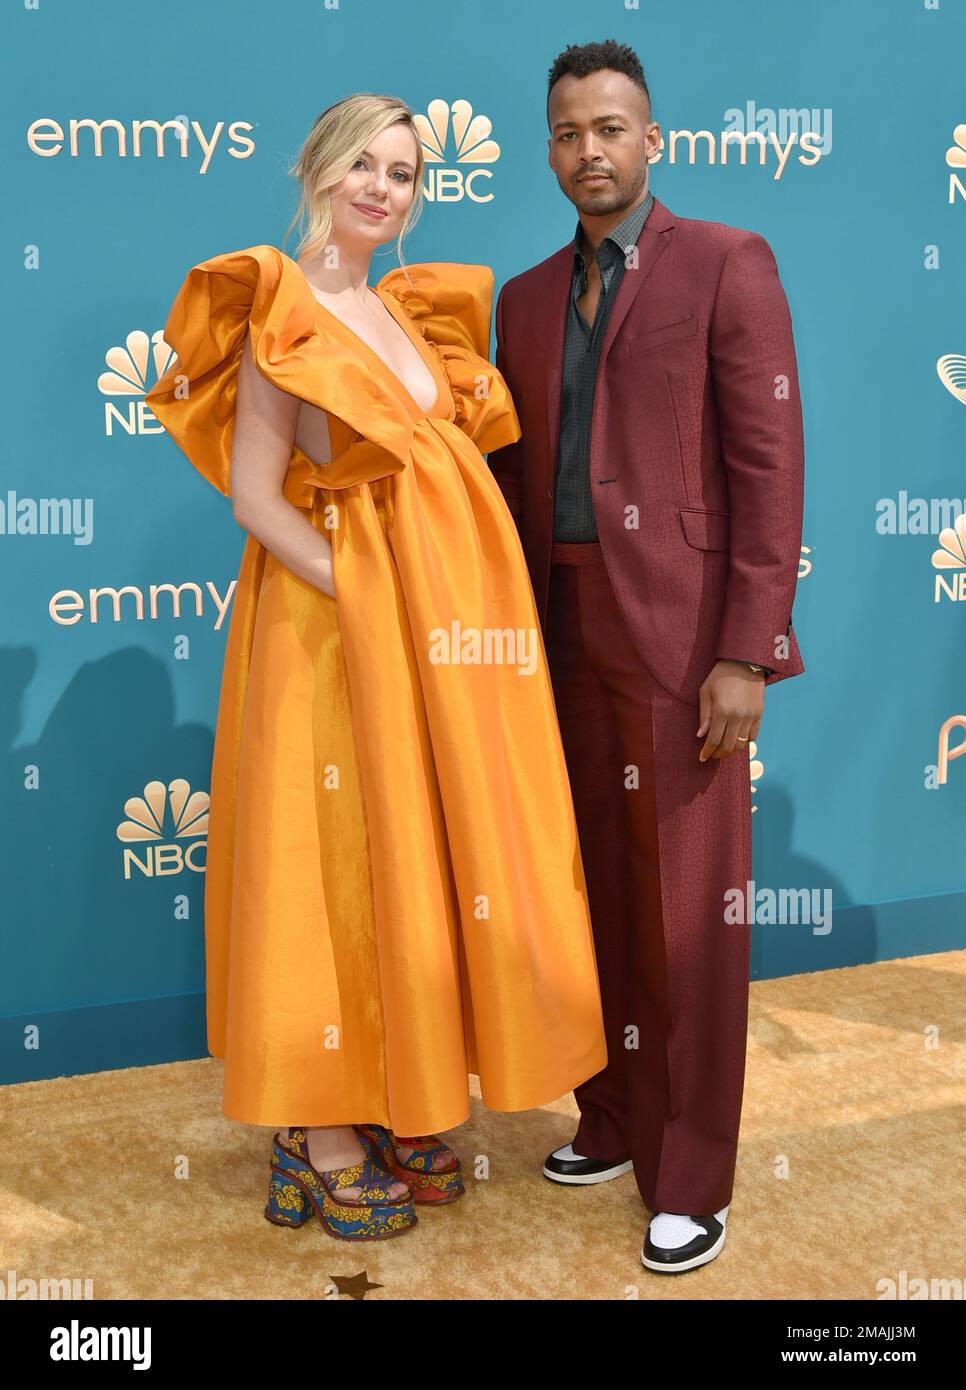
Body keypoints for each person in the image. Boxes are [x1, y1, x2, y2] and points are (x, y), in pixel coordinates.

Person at [145, 92, 607, 1244]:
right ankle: (319, 1129)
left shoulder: (404, 308)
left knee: (410, 854)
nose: (382, 189)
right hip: (331, 630)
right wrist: (367, 595)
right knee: (332, 862)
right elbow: (257, 498)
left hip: (433, 637)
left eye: (402, 173)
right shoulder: (282, 310)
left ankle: (393, 1094)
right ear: (318, 169)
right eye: (363, 165)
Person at [488, 41, 805, 1272]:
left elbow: (769, 467)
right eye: (570, 133)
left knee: (687, 918)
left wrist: (748, 652)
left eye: (611, 128)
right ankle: (612, 1117)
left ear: (653, 138)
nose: (591, 151)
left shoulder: (726, 261)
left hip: (682, 640)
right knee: (597, 900)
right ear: (548, 149)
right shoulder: (523, 299)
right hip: (556, 632)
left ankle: (690, 1173)